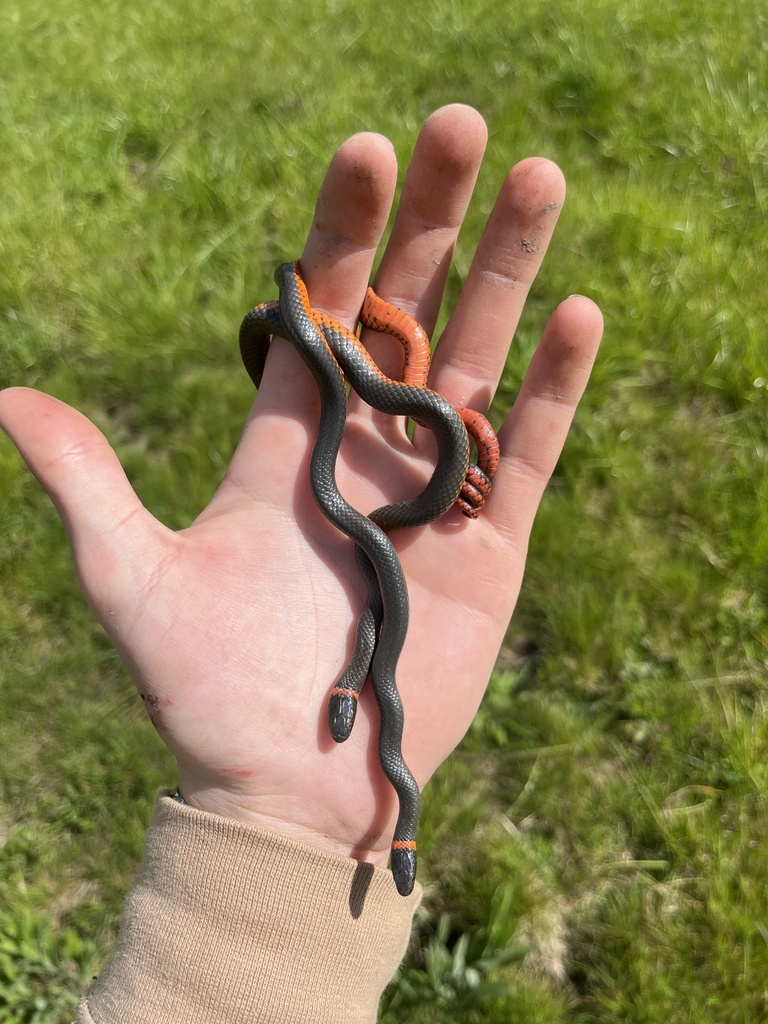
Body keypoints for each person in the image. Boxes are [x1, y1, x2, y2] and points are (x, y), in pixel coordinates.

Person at [0, 104, 603, 1022]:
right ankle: (304, 324)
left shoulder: (378, 694)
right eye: (344, 706)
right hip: (349, 364)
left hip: (378, 399)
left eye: (343, 701)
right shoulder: (367, 631)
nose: (350, 710)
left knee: (387, 437)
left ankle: (318, 333)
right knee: (348, 390)